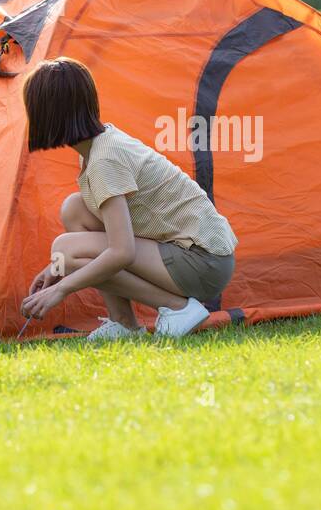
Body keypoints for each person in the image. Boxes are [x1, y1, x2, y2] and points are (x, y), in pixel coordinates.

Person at [19, 57, 237, 339]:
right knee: (74, 210)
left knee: (67, 247)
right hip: (189, 253)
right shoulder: (98, 144)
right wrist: (55, 267)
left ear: (50, 114)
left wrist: (62, 286)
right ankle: (123, 323)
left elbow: (121, 252)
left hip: (203, 261)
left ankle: (177, 308)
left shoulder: (103, 160)